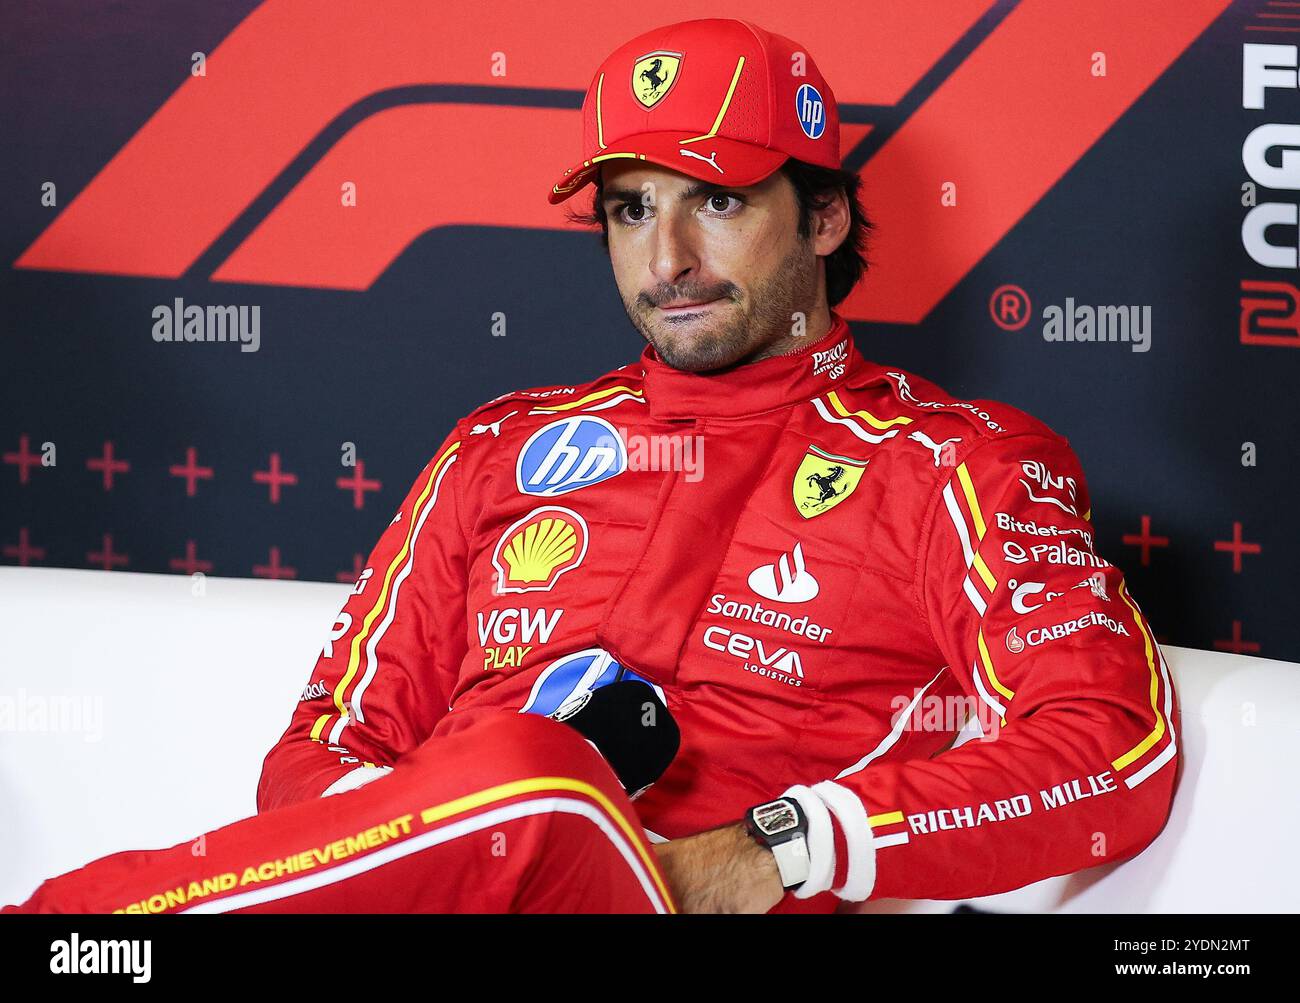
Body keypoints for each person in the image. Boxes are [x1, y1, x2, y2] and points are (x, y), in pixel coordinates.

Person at [8, 17, 1178, 915]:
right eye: (629, 211)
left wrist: (782, 845)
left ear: (823, 217)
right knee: (522, 779)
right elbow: (328, 747)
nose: (665, 258)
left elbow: (1109, 752)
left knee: (537, 773)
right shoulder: (501, 444)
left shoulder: (957, 464)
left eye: (716, 201)